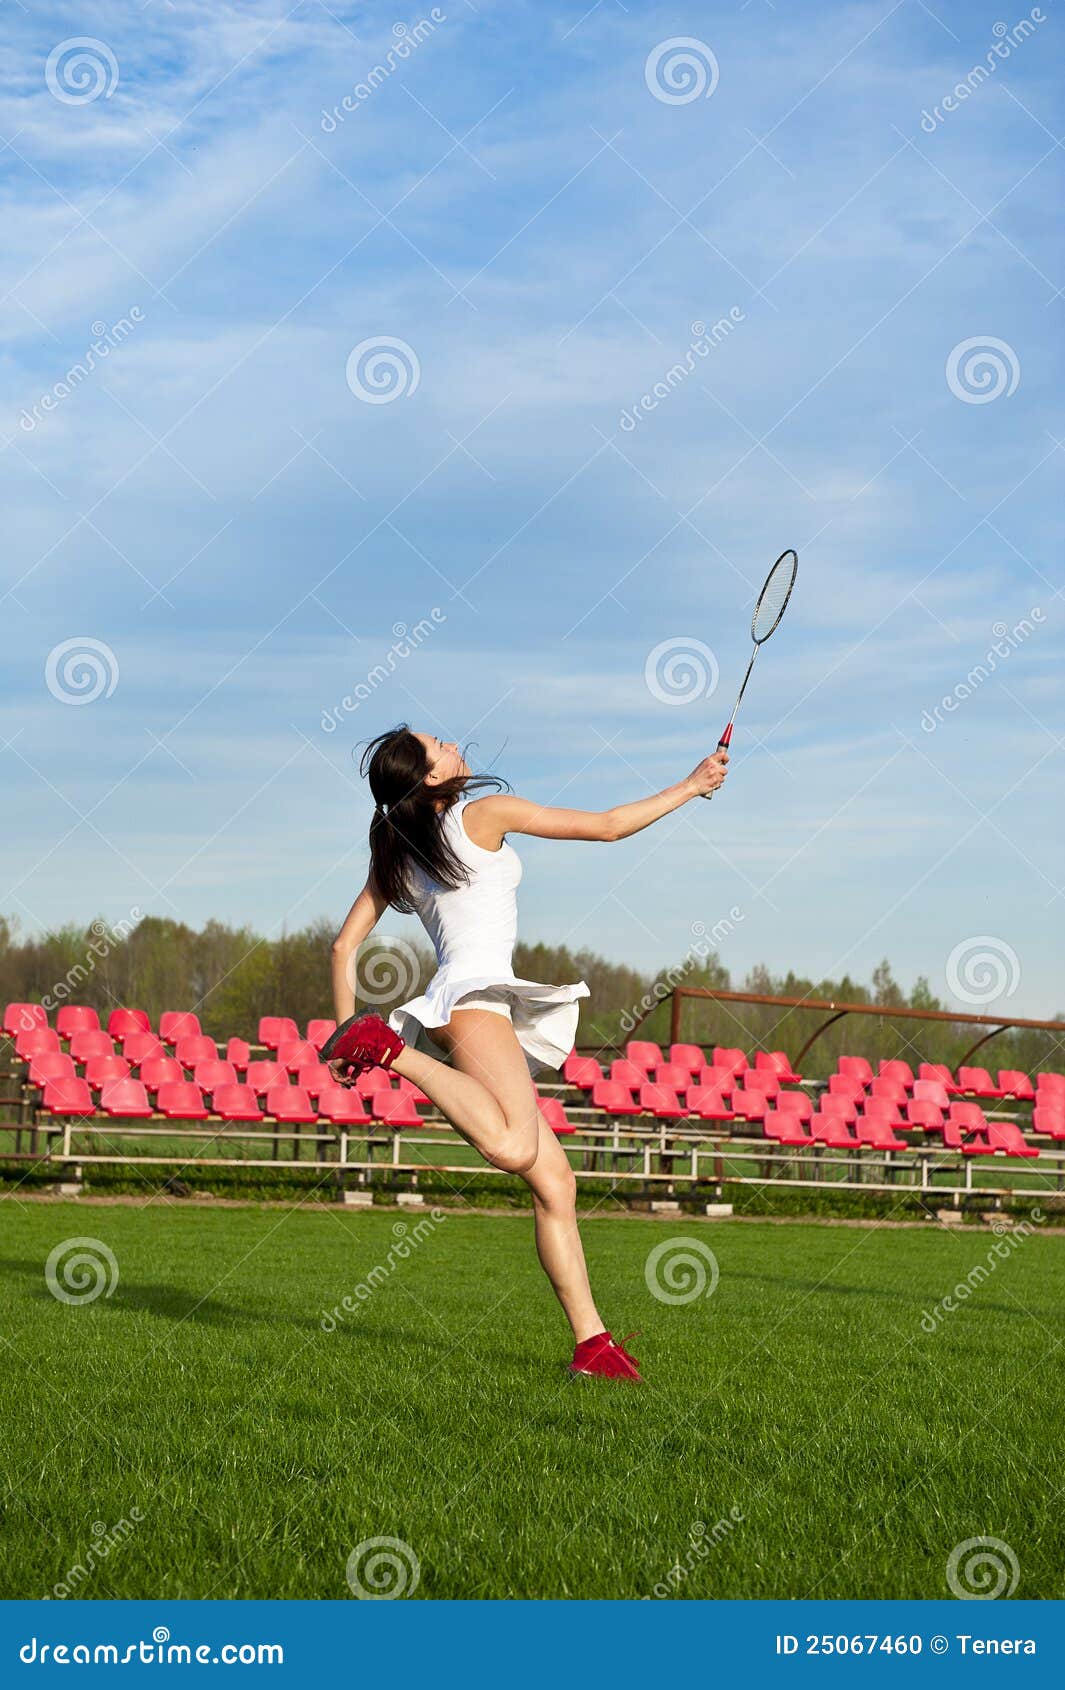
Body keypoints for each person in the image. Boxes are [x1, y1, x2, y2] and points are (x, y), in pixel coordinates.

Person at [325, 725, 728, 1381]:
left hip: (470, 1001)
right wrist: (690, 786)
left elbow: (342, 948)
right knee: (514, 1149)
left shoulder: (399, 850)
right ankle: (390, 1049)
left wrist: (342, 1032)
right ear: (429, 777)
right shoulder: (484, 813)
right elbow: (607, 827)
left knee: (555, 1184)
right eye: (440, 745)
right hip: (475, 1001)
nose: (455, 744)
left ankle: (591, 1346)